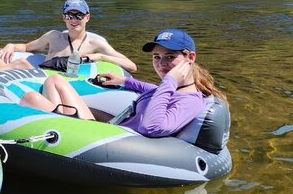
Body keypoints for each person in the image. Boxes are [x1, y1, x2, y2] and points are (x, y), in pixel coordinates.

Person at [22, 28, 228, 138]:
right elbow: (152, 90)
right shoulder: (174, 90)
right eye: (156, 57)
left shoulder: (189, 100)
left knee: (31, 98)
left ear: (190, 57)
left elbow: (152, 126)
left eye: (170, 57)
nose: (161, 63)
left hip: (102, 138)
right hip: (108, 128)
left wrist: (170, 81)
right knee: (55, 79)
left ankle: (59, 125)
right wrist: (124, 81)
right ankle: (60, 120)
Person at [0, 0, 136, 83]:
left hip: (53, 82)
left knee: (21, 64)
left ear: (87, 17)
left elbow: (131, 66)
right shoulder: (54, 36)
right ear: (63, 17)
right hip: (36, 75)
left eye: (79, 15)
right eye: (69, 15)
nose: (74, 20)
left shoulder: (95, 44)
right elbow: (26, 46)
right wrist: (10, 45)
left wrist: (100, 57)